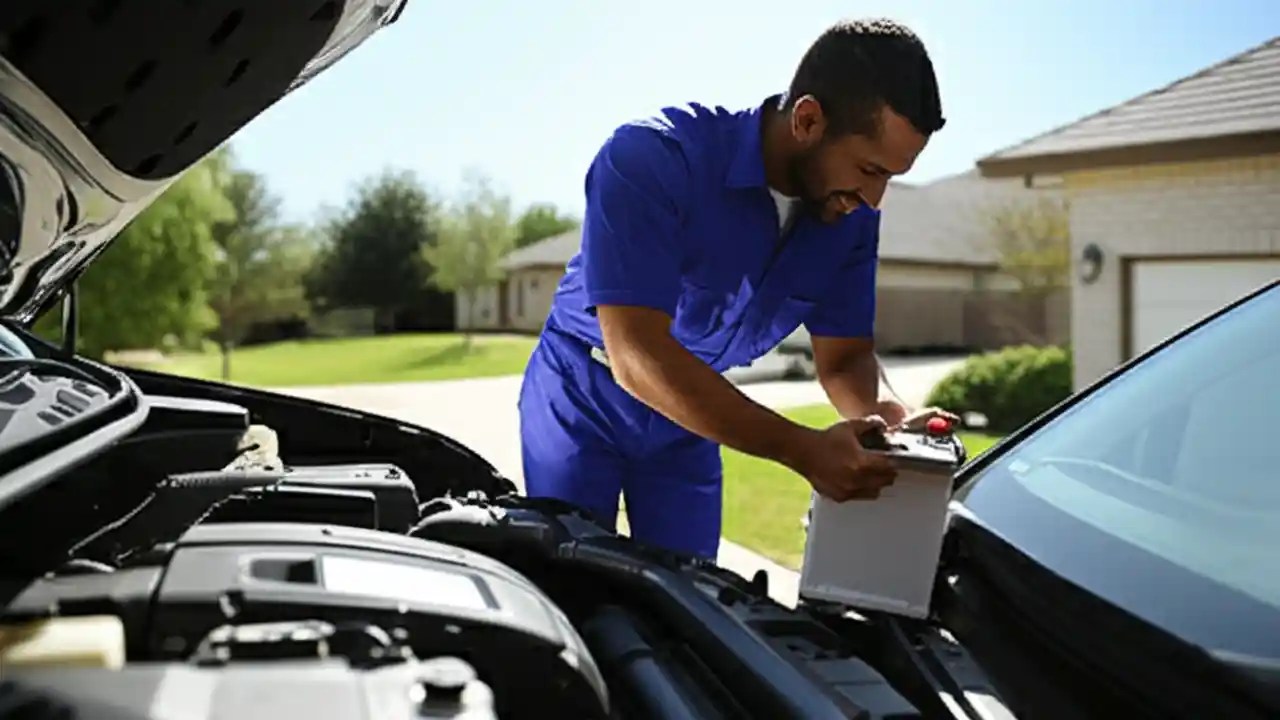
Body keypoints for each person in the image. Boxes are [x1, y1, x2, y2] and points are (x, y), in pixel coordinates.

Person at [517, 17, 955, 561]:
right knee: (567, 577)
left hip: (694, 410)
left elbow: (844, 360)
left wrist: (892, 415)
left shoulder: (851, 218)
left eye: (890, 176)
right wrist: (803, 449)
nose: (874, 198)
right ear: (808, 119)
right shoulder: (652, 158)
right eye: (870, 169)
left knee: (692, 597)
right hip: (583, 392)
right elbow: (637, 353)